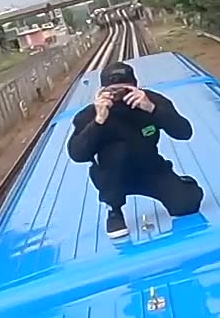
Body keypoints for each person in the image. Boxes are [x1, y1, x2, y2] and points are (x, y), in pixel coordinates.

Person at [65, 63, 201, 239]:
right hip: (113, 177)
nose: (121, 97)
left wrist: (152, 109)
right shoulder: (89, 114)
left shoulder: (152, 101)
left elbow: (184, 132)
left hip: (151, 168)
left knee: (186, 204)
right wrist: (98, 121)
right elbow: (77, 154)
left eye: (126, 91)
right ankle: (114, 210)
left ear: (137, 86)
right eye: (114, 92)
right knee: (117, 151)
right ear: (102, 92)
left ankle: (182, 184)